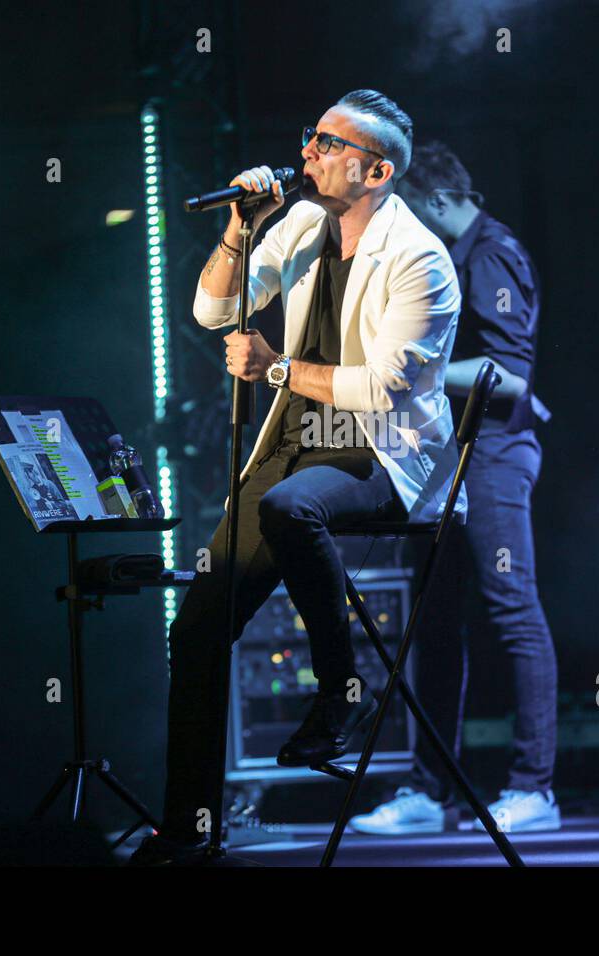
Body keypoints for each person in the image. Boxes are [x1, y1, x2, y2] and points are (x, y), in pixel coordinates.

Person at [131, 91, 466, 865]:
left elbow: (388, 388)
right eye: (311, 135)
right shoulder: (303, 225)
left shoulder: (420, 258)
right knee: (197, 630)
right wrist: (238, 228)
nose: (308, 150)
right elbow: (214, 311)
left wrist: (277, 367)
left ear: (376, 171)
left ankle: (340, 691)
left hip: (382, 454)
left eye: (328, 142)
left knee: (290, 507)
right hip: (288, 449)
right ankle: (188, 829)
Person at [350, 141, 559, 835]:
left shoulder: (492, 255)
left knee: (512, 608)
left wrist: (412, 370)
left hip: (492, 454)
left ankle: (534, 789)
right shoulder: (447, 257)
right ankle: (429, 789)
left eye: (408, 210)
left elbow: (512, 377)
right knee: (434, 621)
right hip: (446, 457)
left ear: (438, 201)